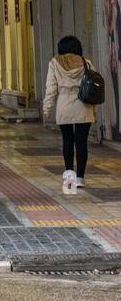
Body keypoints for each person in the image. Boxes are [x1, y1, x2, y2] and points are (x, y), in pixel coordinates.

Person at [42, 35, 97, 190]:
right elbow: (94, 87)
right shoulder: (86, 63)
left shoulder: (54, 63)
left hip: (64, 106)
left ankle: (69, 178)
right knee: (81, 143)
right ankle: (80, 178)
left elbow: (51, 88)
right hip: (84, 106)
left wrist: (47, 108)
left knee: (67, 141)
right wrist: (95, 110)